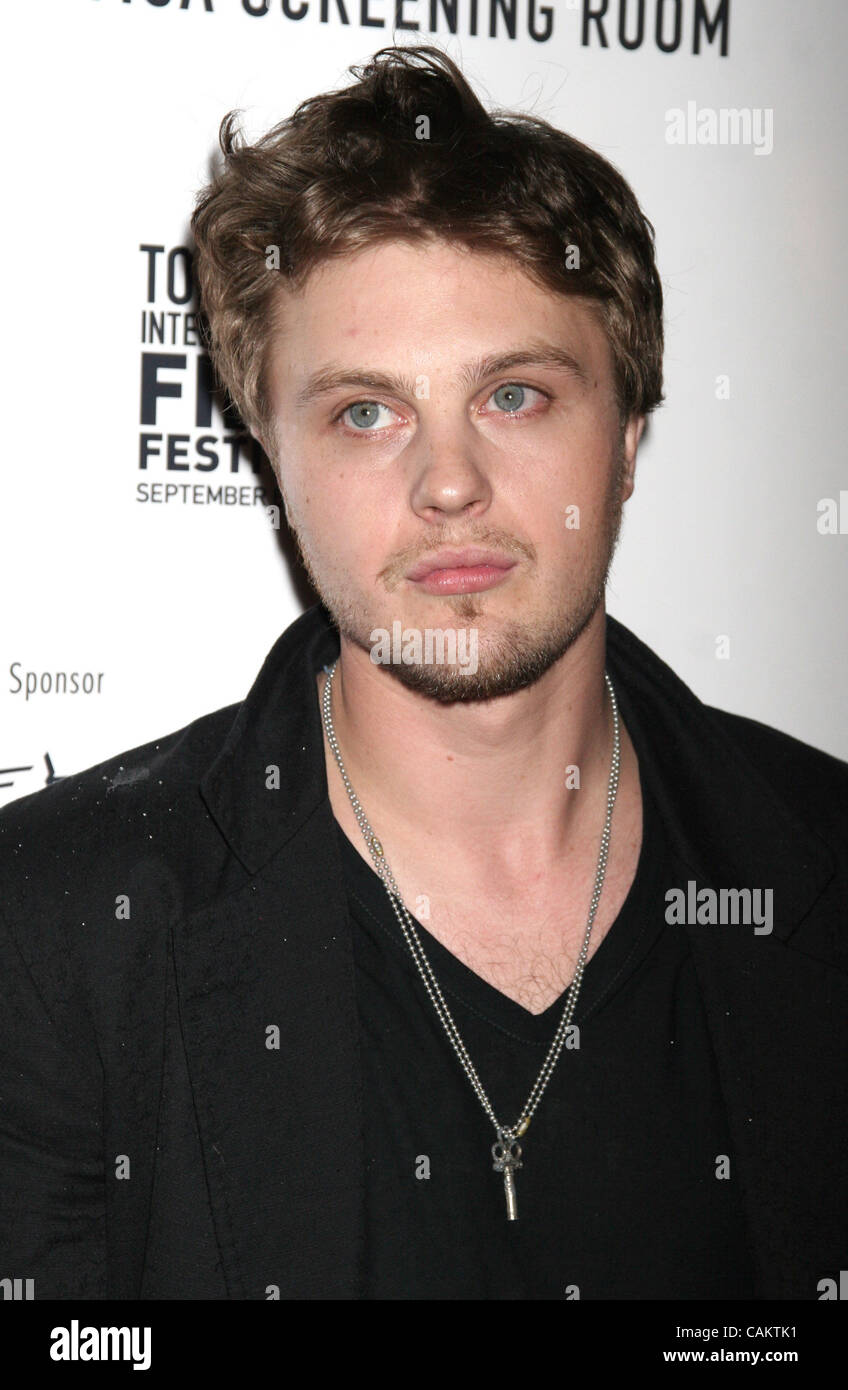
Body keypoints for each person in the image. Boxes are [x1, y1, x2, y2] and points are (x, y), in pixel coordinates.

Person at [1, 44, 845, 1302]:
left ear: (624, 442)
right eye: (363, 412)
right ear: (270, 465)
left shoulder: (821, 860)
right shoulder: (55, 924)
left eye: (512, 395)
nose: (446, 482)